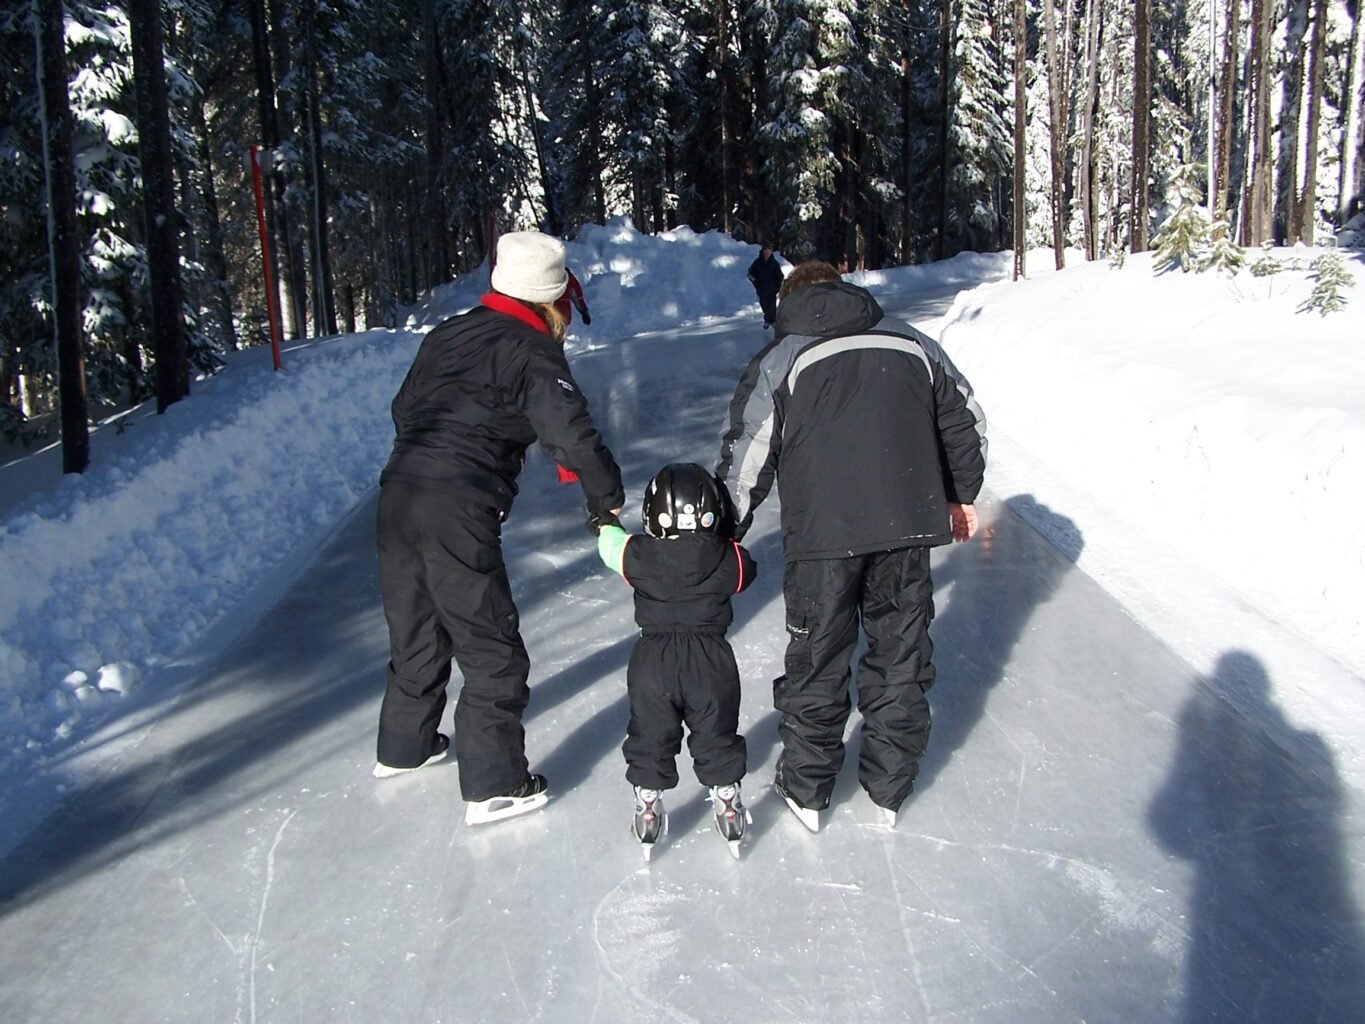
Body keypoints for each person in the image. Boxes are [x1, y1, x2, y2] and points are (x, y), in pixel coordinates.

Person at [715, 260, 987, 832]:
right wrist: (960, 495)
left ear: (789, 302)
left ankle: (808, 792)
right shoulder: (911, 341)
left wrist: (723, 533)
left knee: (817, 661)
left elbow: (749, 455)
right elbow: (966, 422)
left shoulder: (781, 358)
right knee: (900, 657)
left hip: (822, 539)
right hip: (906, 530)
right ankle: (889, 789)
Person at [374, 230, 624, 826]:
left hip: (397, 494)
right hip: (456, 504)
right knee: (490, 647)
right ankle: (494, 784)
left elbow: (404, 408)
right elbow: (572, 434)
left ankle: (405, 747)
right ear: (553, 300)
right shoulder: (531, 349)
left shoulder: (449, 332)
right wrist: (605, 501)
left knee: (419, 630)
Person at [591, 464, 758, 859]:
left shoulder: (641, 553)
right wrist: (722, 536)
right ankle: (727, 798)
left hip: (653, 662)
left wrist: (604, 524)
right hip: (711, 662)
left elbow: (611, 550)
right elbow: (746, 568)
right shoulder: (726, 556)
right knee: (716, 731)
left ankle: (648, 803)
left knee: (650, 733)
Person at [746, 244, 783, 329]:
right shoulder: (757, 262)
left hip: (772, 289)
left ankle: (772, 321)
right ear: (762, 252)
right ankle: (767, 320)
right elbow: (750, 274)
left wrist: (778, 286)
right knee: (764, 306)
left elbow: (780, 276)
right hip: (761, 289)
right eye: (765, 251)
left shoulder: (774, 263)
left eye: (769, 251)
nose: (767, 253)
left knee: (772, 306)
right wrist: (756, 282)